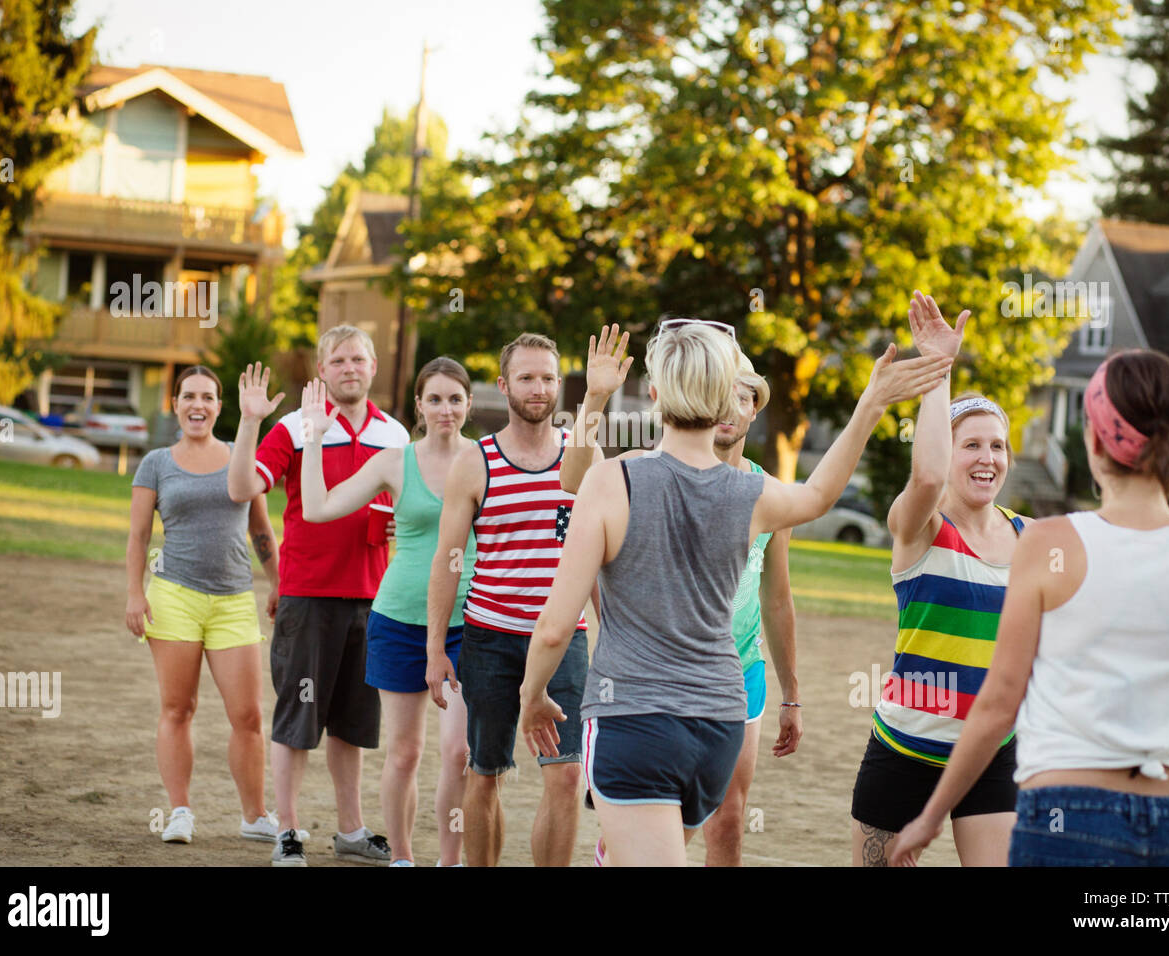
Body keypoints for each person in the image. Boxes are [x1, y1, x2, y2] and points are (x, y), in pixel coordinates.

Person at [520, 319, 952, 865]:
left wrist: (532, 695)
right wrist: (870, 402)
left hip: (635, 718)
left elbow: (556, 627)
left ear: (654, 394)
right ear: (726, 398)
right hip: (719, 727)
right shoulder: (752, 492)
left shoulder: (614, 481)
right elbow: (819, 494)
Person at [889, 350, 1169, 867]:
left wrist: (930, 818)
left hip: (1070, 806)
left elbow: (998, 704)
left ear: (1095, 440)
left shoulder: (1049, 542)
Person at [560, 327, 803, 866]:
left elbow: (778, 598)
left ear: (754, 408)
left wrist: (791, 694)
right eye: (724, 389)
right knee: (661, 832)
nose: (731, 405)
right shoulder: (647, 470)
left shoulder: (765, 494)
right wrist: (596, 398)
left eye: (745, 395)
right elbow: (574, 479)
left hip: (739, 676)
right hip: (651, 685)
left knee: (731, 820)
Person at [850, 291, 1032, 867]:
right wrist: (938, 373)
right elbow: (926, 477)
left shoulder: (1032, 537)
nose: (987, 457)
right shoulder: (919, 527)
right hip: (906, 747)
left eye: (997, 445)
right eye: (971, 444)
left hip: (992, 752)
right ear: (947, 450)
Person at [227, 326, 410, 866]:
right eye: (338, 360)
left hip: (376, 599)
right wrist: (251, 419)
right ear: (323, 371)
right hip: (307, 596)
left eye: (358, 358)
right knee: (298, 720)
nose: (349, 367)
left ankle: (351, 831)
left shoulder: (397, 435)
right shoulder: (293, 426)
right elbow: (241, 490)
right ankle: (288, 830)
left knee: (352, 724)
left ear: (373, 366)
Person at [424, 332, 596, 867]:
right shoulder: (477, 462)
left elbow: (604, 555)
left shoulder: (582, 457)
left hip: (565, 638)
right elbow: (448, 560)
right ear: (503, 386)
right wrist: (435, 648)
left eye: (548, 377)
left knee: (565, 777)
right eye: (526, 377)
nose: (539, 388)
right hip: (490, 638)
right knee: (485, 771)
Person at [297, 357, 477, 867]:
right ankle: (402, 858)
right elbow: (319, 508)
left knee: (460, 754)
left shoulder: (485, 460)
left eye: (456, 398)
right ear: (418, 404)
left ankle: (450, 859)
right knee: (405, 753)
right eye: (435, 398)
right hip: (399, 620)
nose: (446, 409)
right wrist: (313, 438)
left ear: (468, 404)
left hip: (471, 623)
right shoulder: (394, 461)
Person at [125, 365, 279, 845]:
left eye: (208, 397)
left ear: (219, 406)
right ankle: (180, 812)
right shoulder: (155, 462)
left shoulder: (240, 454)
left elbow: (260, 528)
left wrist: (278, 581)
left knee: (249, 716)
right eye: (188, 396)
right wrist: (134, 592)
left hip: (234, 599)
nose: (198, 404)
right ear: (175, 404)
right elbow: (138, 535)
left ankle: (254, 816)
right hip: (174, 597)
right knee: (178, 708)